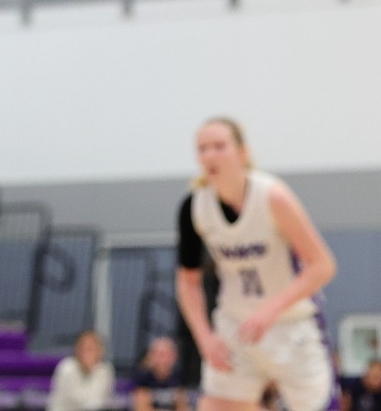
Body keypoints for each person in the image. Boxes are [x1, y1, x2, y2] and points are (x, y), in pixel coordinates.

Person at [175, 118, 339, 411]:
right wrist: (205, 338)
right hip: (236, 326)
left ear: (243, 152)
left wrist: (269, 310)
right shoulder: (194, 207)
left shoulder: (273, 197)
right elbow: (188, 282)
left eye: (219, 146)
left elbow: (322, 265)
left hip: (291, 326)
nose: (209, 155)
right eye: (202, 149)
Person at [49, 330, 117, 411]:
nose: (85, 353)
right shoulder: (66, 368)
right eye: (83, 348)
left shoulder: (105, 370)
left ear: (100, 352)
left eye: (90, 349)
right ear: (77, 350)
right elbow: (76, 400)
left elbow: (99, 401)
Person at [132, 337, 189, 411]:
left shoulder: (178, 377)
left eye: (167, 355)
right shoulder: (143, 378)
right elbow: (142, 407)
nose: (163, 360)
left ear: (174, 356)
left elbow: (182, 405)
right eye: (159, 354)